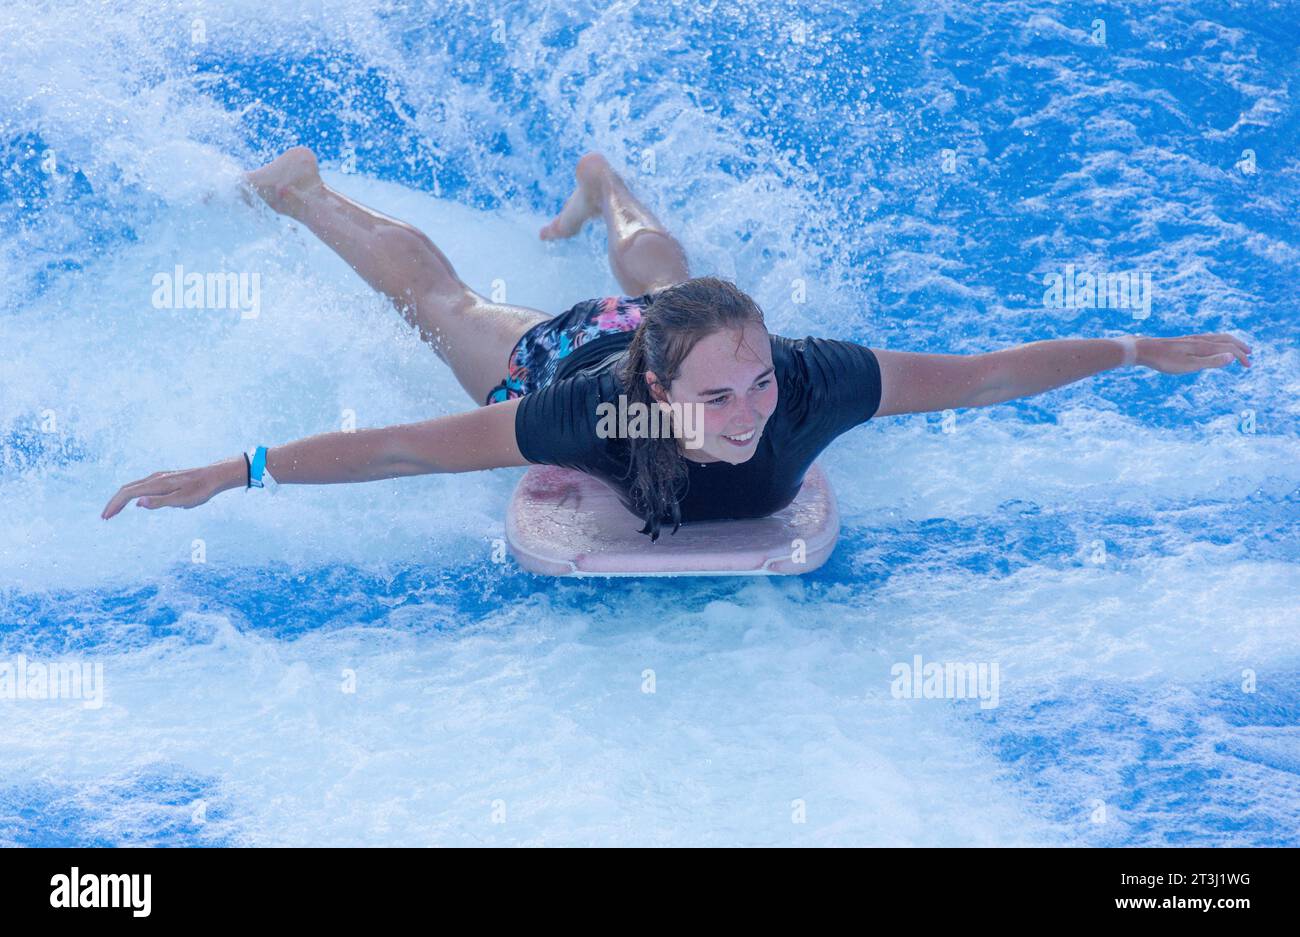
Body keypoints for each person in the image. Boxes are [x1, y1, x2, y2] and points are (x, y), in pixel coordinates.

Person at [102, 149, 1251, 540]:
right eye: (722, 399)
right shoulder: (596, 409)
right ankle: (306, 192)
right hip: (579, 347)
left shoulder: (809, 382)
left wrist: (1139, 348)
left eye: (759, 385)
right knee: (451, 312)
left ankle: (606, 184)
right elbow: (407, 450)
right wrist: (237, 470)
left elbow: (989, 375)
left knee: (676, 283)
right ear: (655, 393)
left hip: (672, 327)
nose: (753, 413)